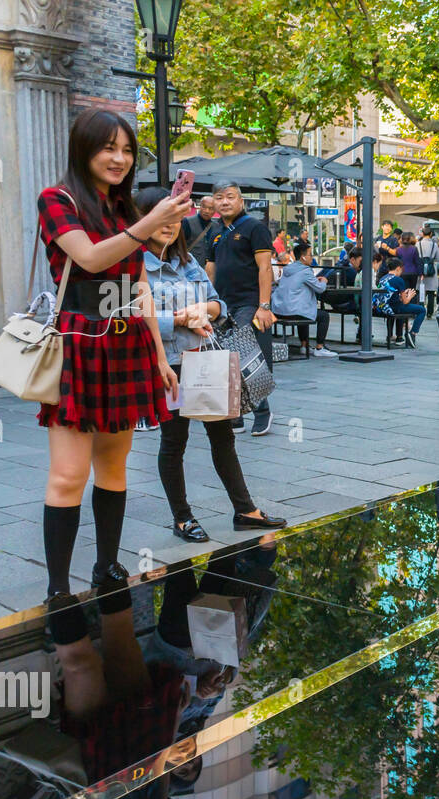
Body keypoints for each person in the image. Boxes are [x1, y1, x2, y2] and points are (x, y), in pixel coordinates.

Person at [34, 109, 190, 610]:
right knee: (67, 474)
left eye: (127, 150)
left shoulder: (124, 209)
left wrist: (161, 357)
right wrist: (151, 222)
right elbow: (91, 259)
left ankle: (107, 564)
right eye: (109, 148)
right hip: (79, 341)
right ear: (84, 149)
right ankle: (59, 587)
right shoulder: (57, 200)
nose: (120, 159)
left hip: (127, 344)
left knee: (114, 467)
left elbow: (137, 286)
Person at [138, 186, 286, 543]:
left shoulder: (187, 262)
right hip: (167, 365)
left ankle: (245, 509)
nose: (170, 225)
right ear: (144, 219)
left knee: (223, 437)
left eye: (176, 219)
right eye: (163, 217)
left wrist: (203, 310)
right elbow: (130, 318)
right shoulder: (135, 266)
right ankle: (182, 517)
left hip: (205, 360)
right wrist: (176, 320)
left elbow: (217, 303)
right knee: (174, 441)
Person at [206, 181, 276, 436]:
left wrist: (264, 305)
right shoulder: (214, 232)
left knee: (245, 356)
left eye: (230, 197)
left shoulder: (254, 227)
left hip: (249, 302)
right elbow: (210, 269)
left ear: (241, 201)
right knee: (224, 357)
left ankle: (262, 410)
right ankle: (235, 415)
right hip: (221, 305)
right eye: (219, 197)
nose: (224, 202)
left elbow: (265, 267)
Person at [271, 239, 335, 358]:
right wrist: (324, 281)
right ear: (303, 257)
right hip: (293, 311)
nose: (312, 257)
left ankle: (304, 346)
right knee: (323, 316)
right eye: (310, 254)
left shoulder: (288, 269)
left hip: (280, 311)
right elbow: (320, 289)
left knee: (304, 310)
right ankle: (320, 347)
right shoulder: (305, 271)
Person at [376, 255, 425, 348]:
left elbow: (390, 294)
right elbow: (405, 301)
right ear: (398, 268)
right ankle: (413, 333)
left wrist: (403, 294)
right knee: (422, 310)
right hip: (394, 308)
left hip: (383, 307)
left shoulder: (383, 279)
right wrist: (410, 295)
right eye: (401, 270)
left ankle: (391, 336)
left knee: (401, 308)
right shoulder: (399, 280)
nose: (402, 272)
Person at [181, 194, 217, 266]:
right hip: (190, 266)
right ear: (199, 206)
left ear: (215, 210)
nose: (207, 211)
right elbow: (179, 245)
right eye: (204, 207)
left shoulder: (217, 226)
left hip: (209, 268)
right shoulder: (187, 222)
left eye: (211, 208)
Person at [416, 225, 439, 326]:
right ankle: (429, 313)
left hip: (420, 268)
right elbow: (437, 258)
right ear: (431, 234)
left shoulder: (418, 244)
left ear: (422, 233)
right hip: (431, 269)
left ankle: (420, 310)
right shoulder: (434, 245)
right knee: (431, 292)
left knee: (420, 291)